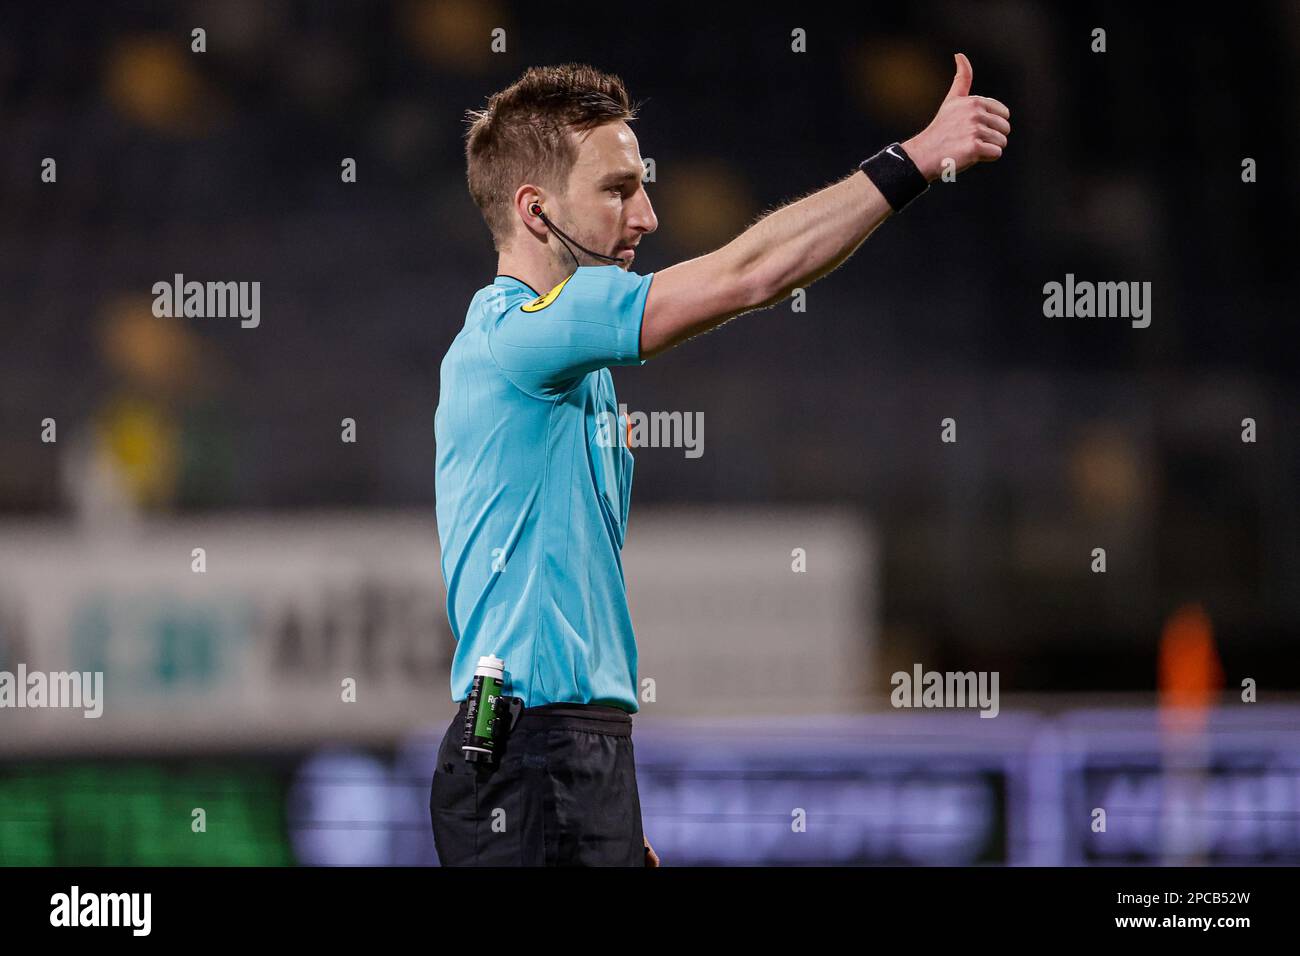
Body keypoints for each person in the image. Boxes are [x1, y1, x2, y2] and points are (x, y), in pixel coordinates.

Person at [431, 57, 1009, 866]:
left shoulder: (564, 370)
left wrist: (612, 817)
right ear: (536, 211)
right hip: (532, 754)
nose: (648, 215)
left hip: (567, 755)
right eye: (618, 189)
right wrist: (913, 157)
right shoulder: (520, 338)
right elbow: (750, 275)